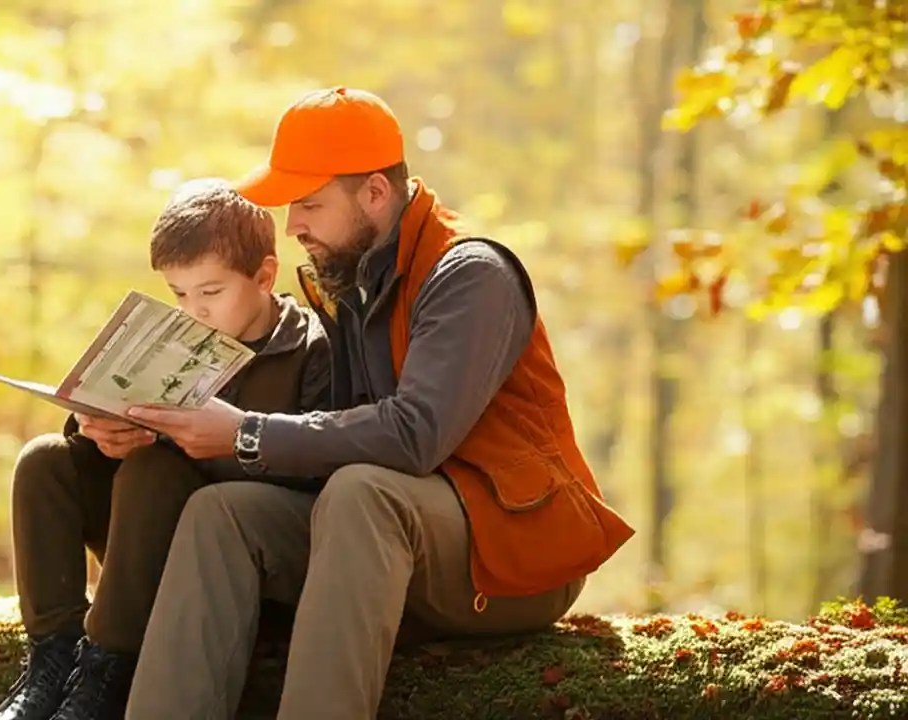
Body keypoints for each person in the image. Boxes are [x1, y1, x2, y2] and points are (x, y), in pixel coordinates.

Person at [124, 87, 636, 719]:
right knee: (221, 513)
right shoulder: (349, 278)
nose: (293, 227)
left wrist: (248, 433)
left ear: (374, 193)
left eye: (309, 204)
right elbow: (329, 438)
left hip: (513, 554)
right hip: (387, 540)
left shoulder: (469, 274)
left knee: (363, 491)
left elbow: (414, 436)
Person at [0, 178, 329, 720]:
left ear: (265, 276)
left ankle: (107, 674)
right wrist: (95, 429)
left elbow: (309, 478)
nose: (194, 311)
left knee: (155, 470)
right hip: (141, 536)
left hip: (226, 557)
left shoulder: (310, 347)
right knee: (45, 461)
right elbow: (101, 438)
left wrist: (208, 445)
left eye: (211, 293)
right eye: (179, 295)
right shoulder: (167, 339)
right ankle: (51, 667)